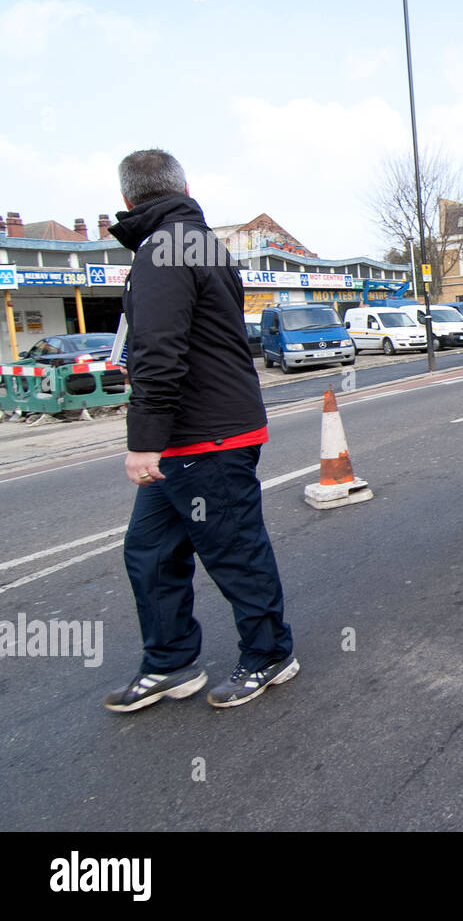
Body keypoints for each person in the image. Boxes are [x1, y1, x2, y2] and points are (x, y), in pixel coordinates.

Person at [103, 149, 297, 713]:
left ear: (125, 199)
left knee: (234, 551)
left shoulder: (165, 249)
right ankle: (169, 663)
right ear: (182, 185)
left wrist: (142, 441)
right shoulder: (197, 242)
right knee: (151, 552)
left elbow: (158, 352)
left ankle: (269, 655)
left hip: (204, 436)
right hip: (191, 434)